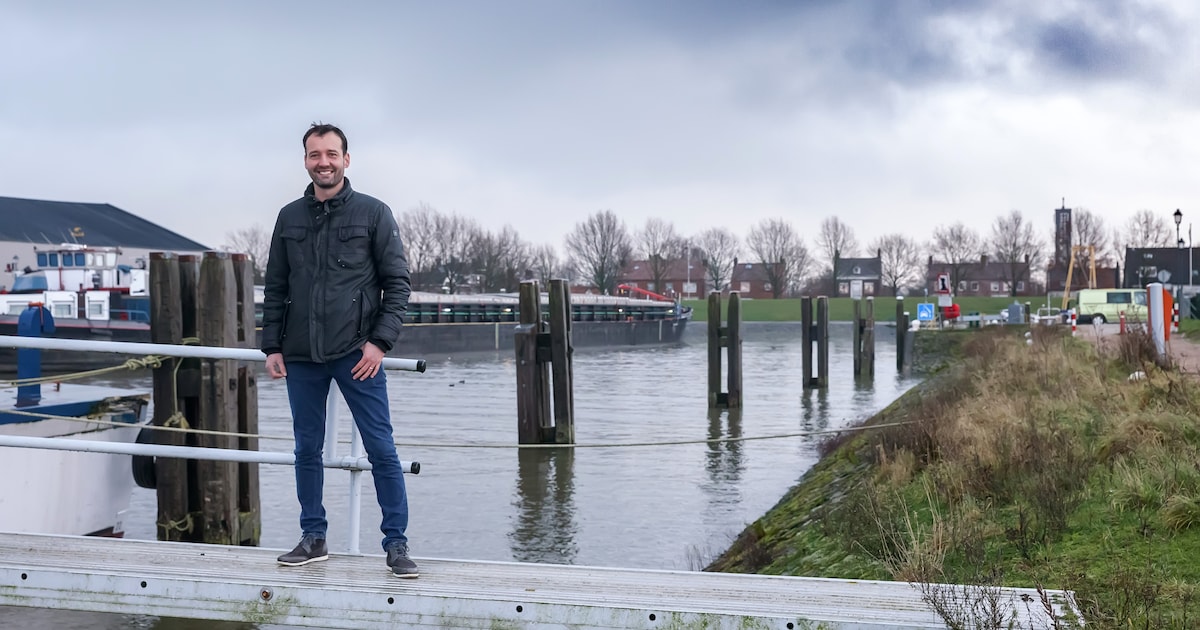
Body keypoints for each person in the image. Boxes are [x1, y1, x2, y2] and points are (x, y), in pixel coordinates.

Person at [261, 122, 418, 578]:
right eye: (315, 155)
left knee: (380, 448)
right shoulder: (288, 218)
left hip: (358, 354)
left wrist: (380, 343)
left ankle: (397, 544)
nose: (323, 162)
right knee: (306, 449)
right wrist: (272, 344)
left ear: (346, 160)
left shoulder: (373, 213)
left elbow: (398, 284)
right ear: (305, 161)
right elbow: (275, 287)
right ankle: (313, 537)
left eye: (332, 154)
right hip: (301, 354)